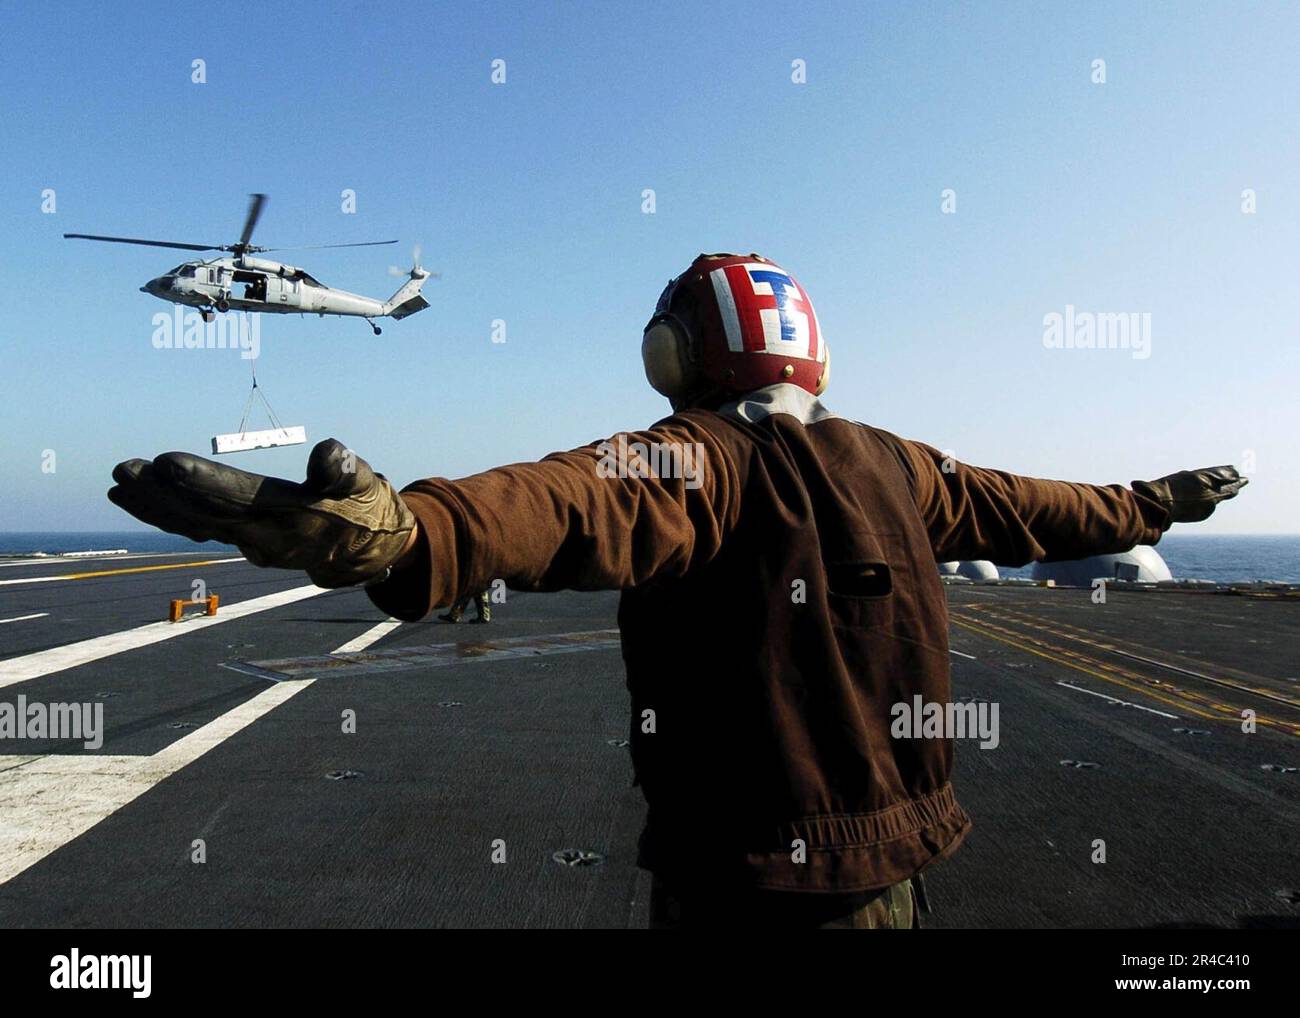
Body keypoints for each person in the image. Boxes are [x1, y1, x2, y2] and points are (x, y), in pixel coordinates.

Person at [107, 252, 1247, 928]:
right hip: (897, 876)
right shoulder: (902, 465)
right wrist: (1152, 499)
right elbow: (1044, 507)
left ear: (677, 355)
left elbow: (559, 500)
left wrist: (411, 534)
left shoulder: (695, 455)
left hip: (743, 889)